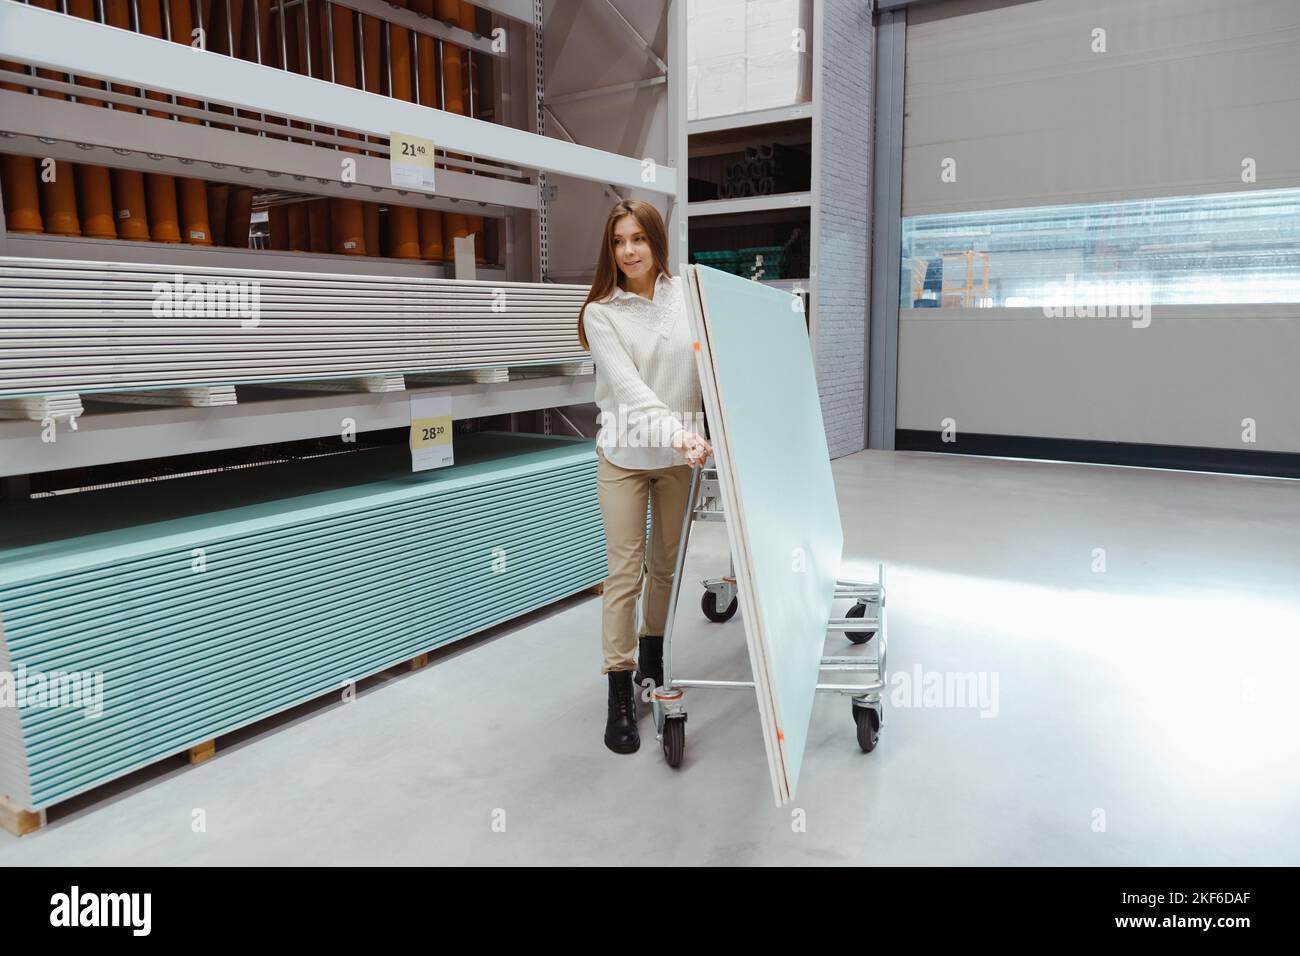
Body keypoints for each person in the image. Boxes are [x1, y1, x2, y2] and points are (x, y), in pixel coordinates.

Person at [577, 199, 712, 755]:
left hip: (681, 457)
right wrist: (680, 433)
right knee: (624, 573)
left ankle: (652, 657)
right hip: (626, 455)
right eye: (617, 241)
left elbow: (710, 367)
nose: (628, 251)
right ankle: (619, 691)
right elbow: (630, 392)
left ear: (657, 241)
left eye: (638, 238)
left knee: (667, 567)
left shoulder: (690, 297)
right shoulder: (602, 313)